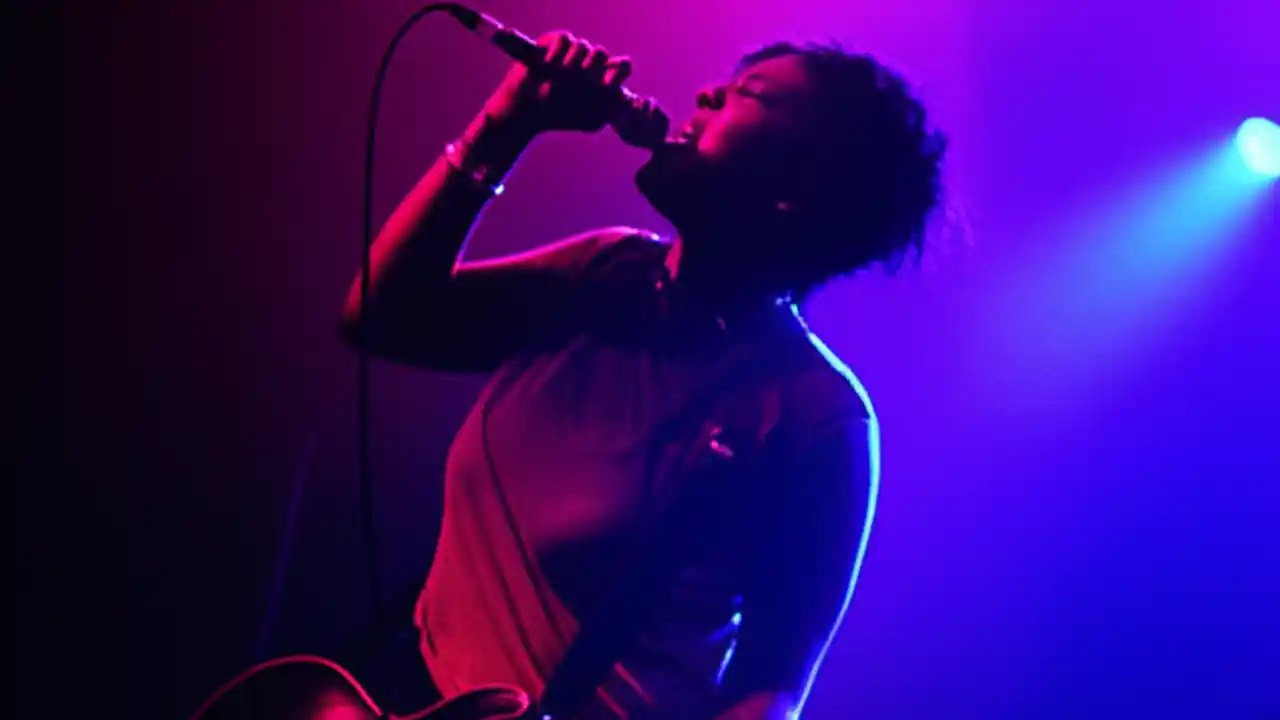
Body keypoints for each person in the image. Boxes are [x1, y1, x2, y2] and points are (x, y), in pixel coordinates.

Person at [341, 29, 946, 720]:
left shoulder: (815, 414)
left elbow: (769, 690)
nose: (707, 93)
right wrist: (507, 124)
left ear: (800, 189)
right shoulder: (605, 273)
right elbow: (381, 315)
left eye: (749, 94)